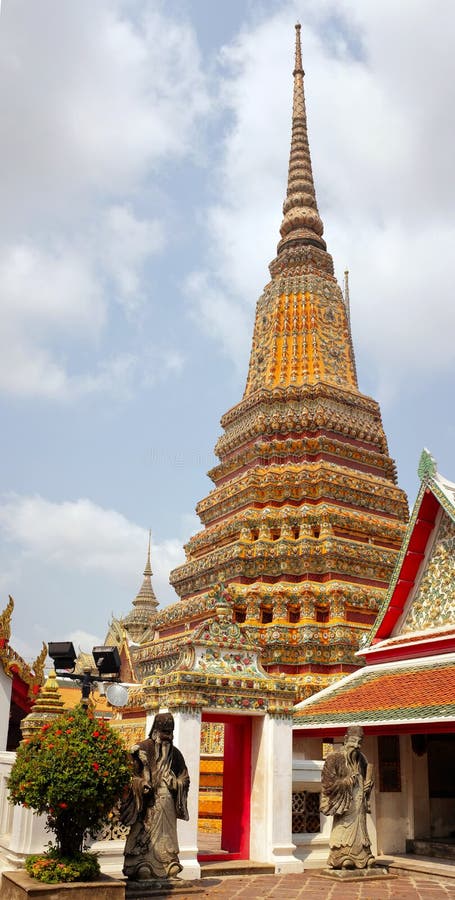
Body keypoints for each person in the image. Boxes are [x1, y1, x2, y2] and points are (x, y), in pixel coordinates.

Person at [120, 712, 190, 881]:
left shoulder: (176, 754)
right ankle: (140, 864)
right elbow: (129, 775)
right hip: (147, 805)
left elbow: (185, 778)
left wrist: (176, 783)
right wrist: (141, 784)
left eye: (170, 735)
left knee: (167, 839)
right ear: (155, 732)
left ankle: (169, 864)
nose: (167, 739)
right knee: (144, 836)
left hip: (167, 806)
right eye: (164, 734)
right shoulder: (142, 749)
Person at [320, 725, 375, 869]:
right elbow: (327, 784)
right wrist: (347, 782)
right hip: (344, 801)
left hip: (359, 801)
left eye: (360, 743)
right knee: (344, 828)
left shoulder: (362, 759)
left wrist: (368, 786)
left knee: (361, 828)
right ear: (345, 740)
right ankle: (341, 856)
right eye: (353, 742)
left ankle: (364, 855)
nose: (357, 746)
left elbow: (364, 778)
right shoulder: (334, 758)